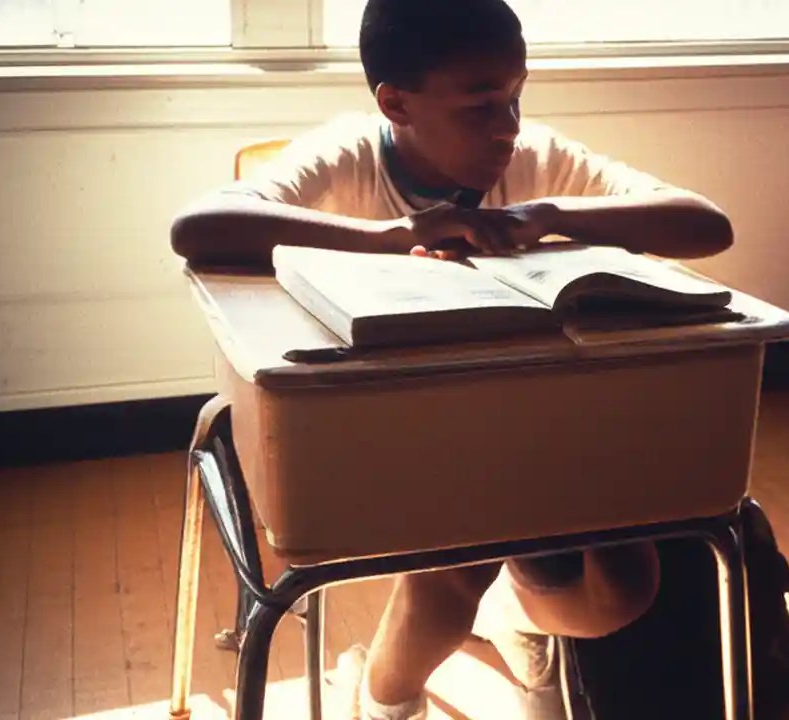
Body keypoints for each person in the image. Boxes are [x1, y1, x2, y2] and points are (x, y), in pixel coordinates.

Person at [172, 1, 734, 717]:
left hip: (532, 430)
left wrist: (556, 215)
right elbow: (197, 227)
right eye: (480, 106)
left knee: (625, 587)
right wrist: (390, 235)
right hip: (374, 437)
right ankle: (383, 699)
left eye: (516, 96)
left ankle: (512, 617)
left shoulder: (535, 161)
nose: (509, 126)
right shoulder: (347, 155)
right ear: (396, 102)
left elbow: (705, 224)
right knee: (460, 558)